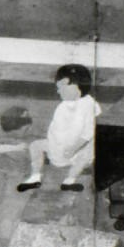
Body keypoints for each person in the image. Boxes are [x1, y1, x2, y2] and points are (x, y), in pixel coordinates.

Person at [20, 62, 100, 193]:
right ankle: (35, 176)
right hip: (58, 146)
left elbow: (88, 133)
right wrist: (54, 145)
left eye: (61, 88)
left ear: (77, 88)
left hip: (77, 148)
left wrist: (74, 148)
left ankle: (70, 180)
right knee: (35, 145)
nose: (58, 91)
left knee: (86, 155)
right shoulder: (63, 106)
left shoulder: (89, 105)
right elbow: (55, 128)